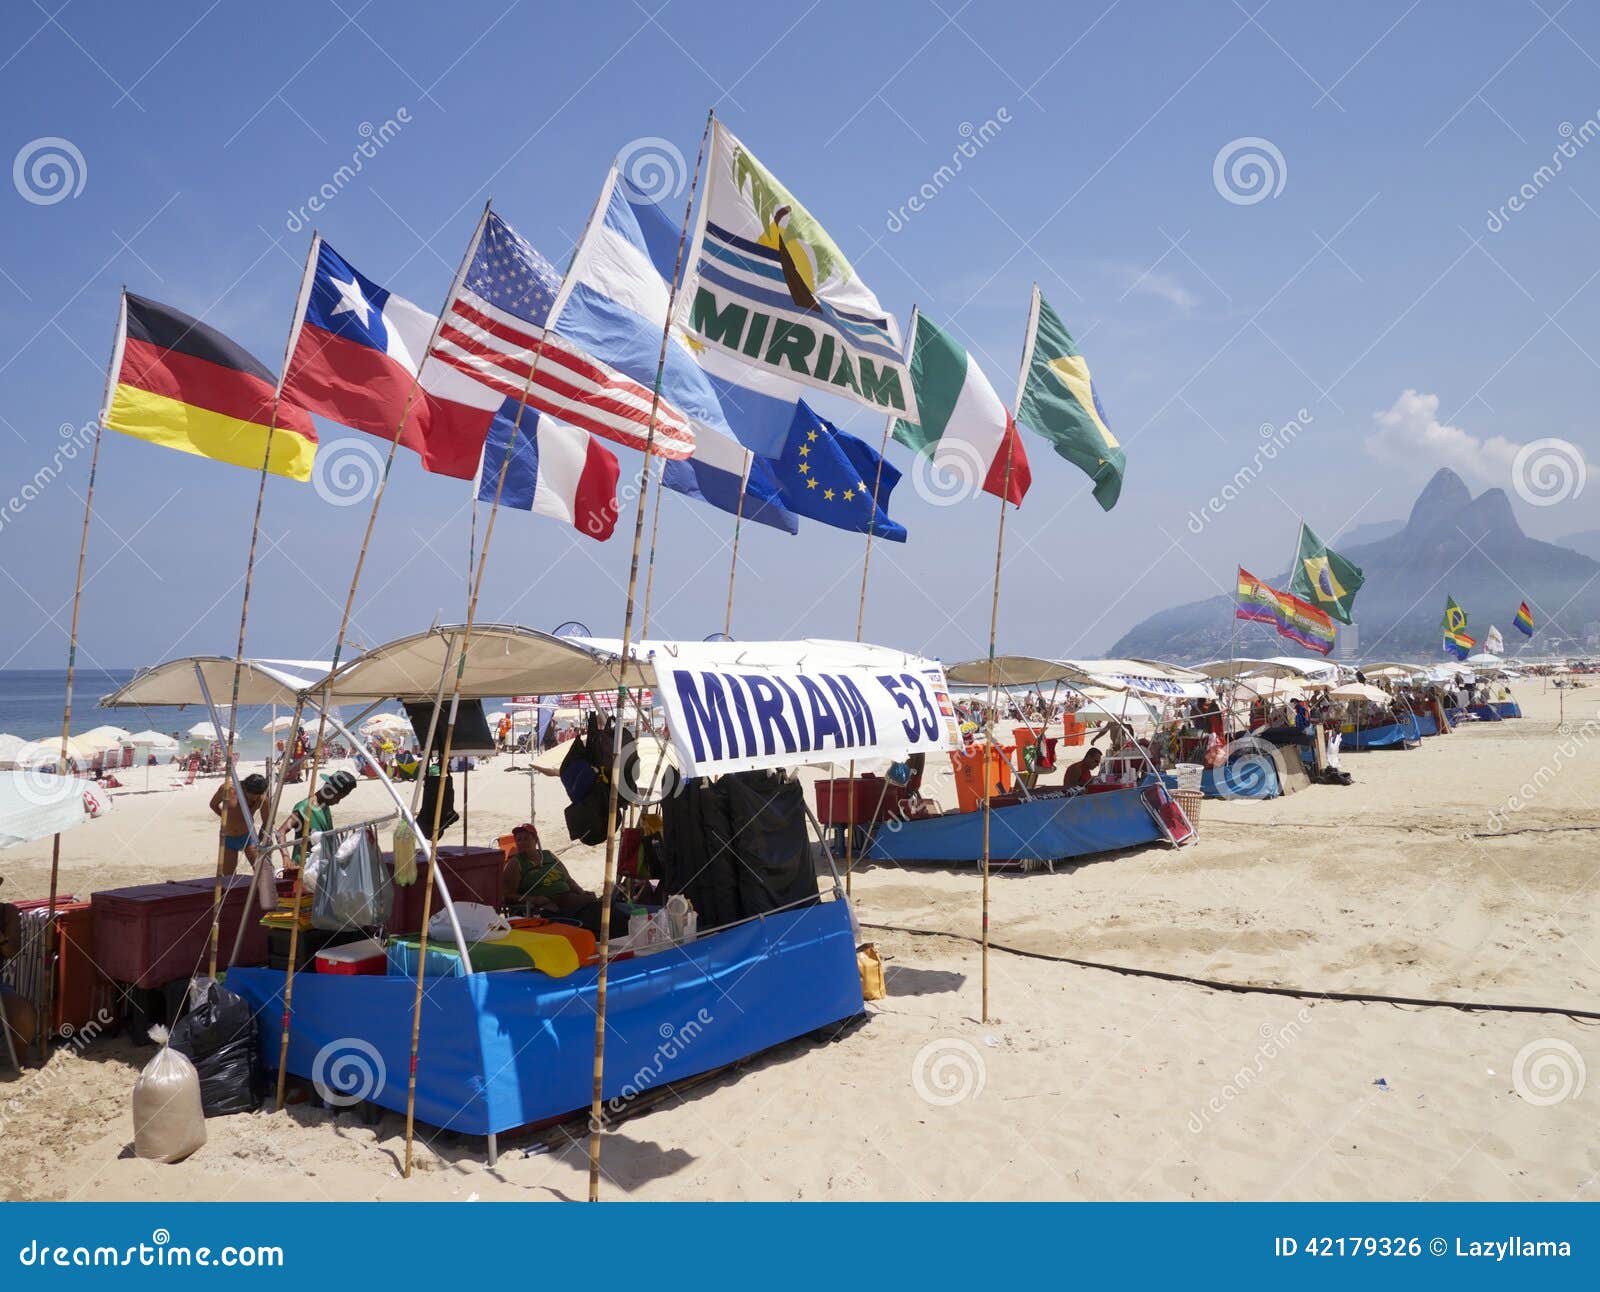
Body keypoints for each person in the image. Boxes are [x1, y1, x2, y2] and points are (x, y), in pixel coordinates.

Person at [278, 770, 358, 871]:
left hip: (322, 865)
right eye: (338, 798)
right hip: (304, 866)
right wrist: (286, 857)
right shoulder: (304, 808)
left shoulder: (325, 807)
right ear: (329, 790)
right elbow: (280, 832)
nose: (338, 802)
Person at [209, 773, 268, 877]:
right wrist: (226, 819)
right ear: (244, 788)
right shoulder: (228, 789)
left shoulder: (262, 798)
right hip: (228, 837)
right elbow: (213, 805)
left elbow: (267, 821)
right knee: (227, 876)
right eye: (251, 796)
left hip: (248, 837)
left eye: (256, 796)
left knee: (262, 872)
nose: (253, 799)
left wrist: (260, 840)